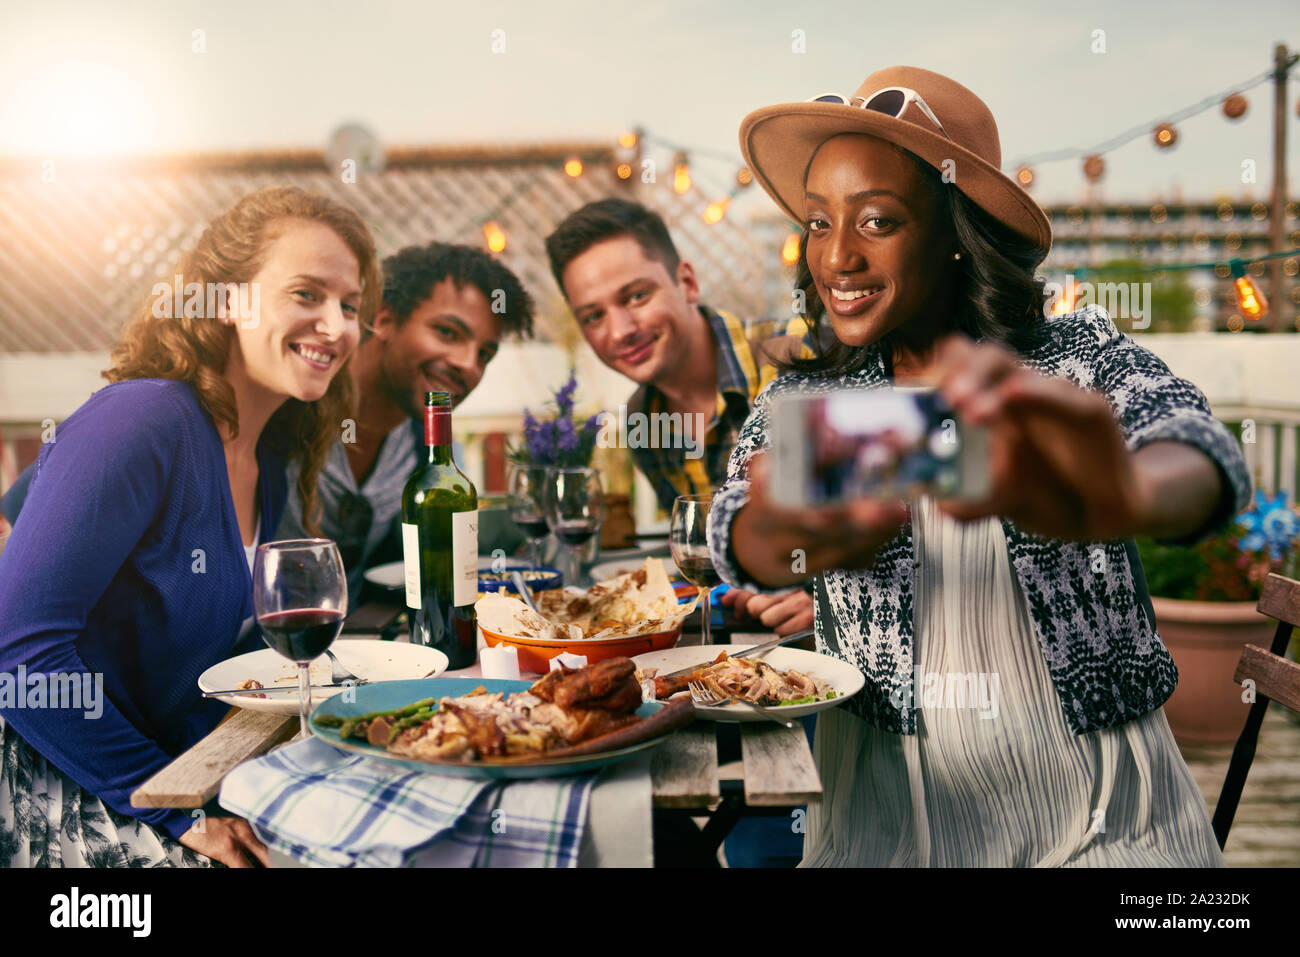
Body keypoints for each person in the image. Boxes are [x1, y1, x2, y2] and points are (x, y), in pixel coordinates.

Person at [710, 66, 1250, 866]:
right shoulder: (812, 399)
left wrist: (1131, 491)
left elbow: (1200, 449)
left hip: (1102, 825)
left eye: (878, 221)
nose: (839, 258)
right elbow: (735, 527)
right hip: (884, 826)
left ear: (956, 231)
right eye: (819, 224)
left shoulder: (1068, 362)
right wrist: (780, 538)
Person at [0, 186, 379, 867]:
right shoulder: (141, 420)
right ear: (229, 299)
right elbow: (19, 655)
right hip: (57, 779)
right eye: (307, 294)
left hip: (181, 765)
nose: (337, 325)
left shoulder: (272, 455)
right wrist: (181, 809)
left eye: (350, 306)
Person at [544, 198, 813, 638]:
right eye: (593, 316)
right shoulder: (641, 423)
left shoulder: (801, 353)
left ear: (686, 281)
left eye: (636, 296)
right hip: (753, 650)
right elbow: (711, 558)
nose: (620, 330)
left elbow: (908, 525)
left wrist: (820, 596)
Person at [273, 243, 535, 599]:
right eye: (447, 332)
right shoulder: (288, 406)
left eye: (485, 354)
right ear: (383, 318)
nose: (469, 365)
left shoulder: (419, 443)